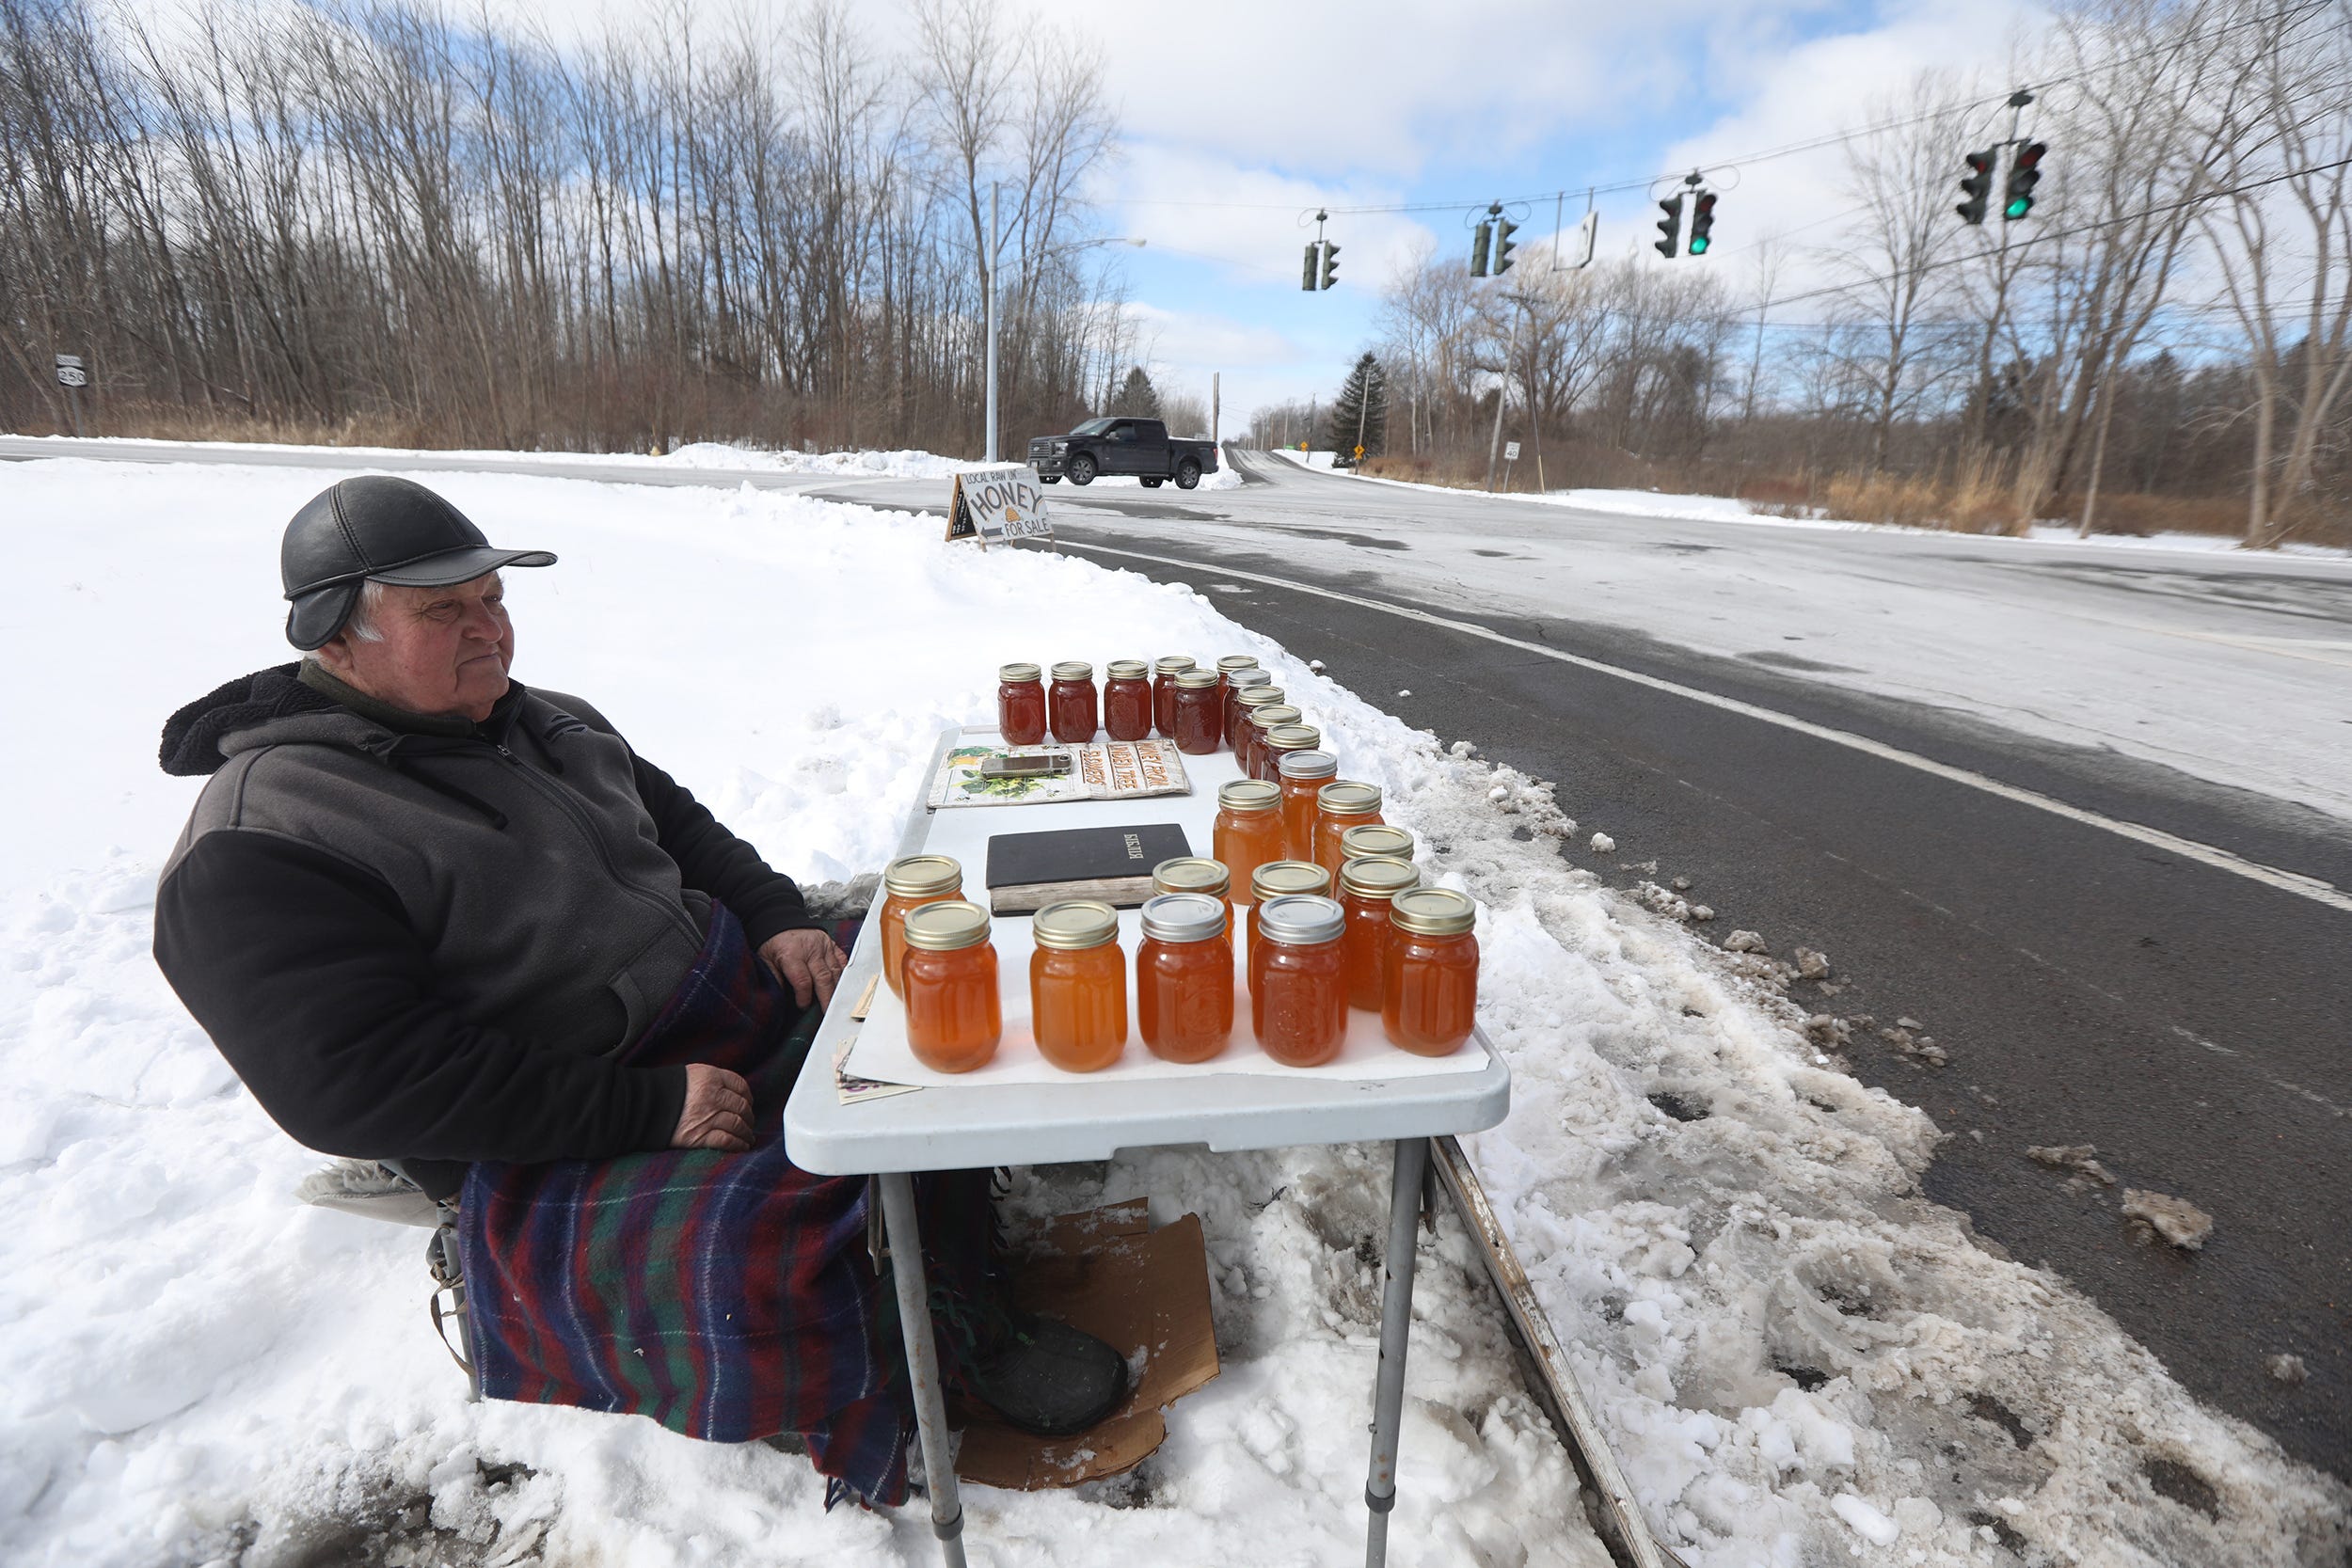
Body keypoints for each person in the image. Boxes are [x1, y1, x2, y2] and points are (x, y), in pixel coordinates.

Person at [151, 476, 1123, 1505]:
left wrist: (776, 916)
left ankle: (951, 1265)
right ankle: (891, 1358)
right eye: (443, 611)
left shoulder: (544, 720)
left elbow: (685, 826)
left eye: (493, 599)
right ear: (333, 638)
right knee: (768, 1236)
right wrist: (643, 1106)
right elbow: (348, 1079)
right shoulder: (266, 833)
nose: (489, 631)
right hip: (581, 1109)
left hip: (730, 996)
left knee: (932, 976)